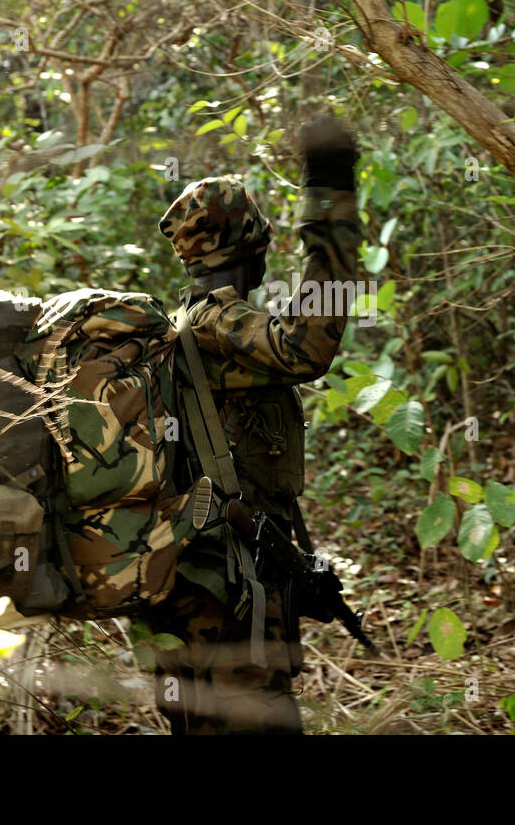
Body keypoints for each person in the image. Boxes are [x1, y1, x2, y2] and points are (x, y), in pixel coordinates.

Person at [143, 111, 360, 734]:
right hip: (221, 587)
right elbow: (307, 347)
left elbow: (234, 459)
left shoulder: (188, 326)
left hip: (203, 576)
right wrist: (331, 209)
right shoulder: (214, 323)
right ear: (254, 246)